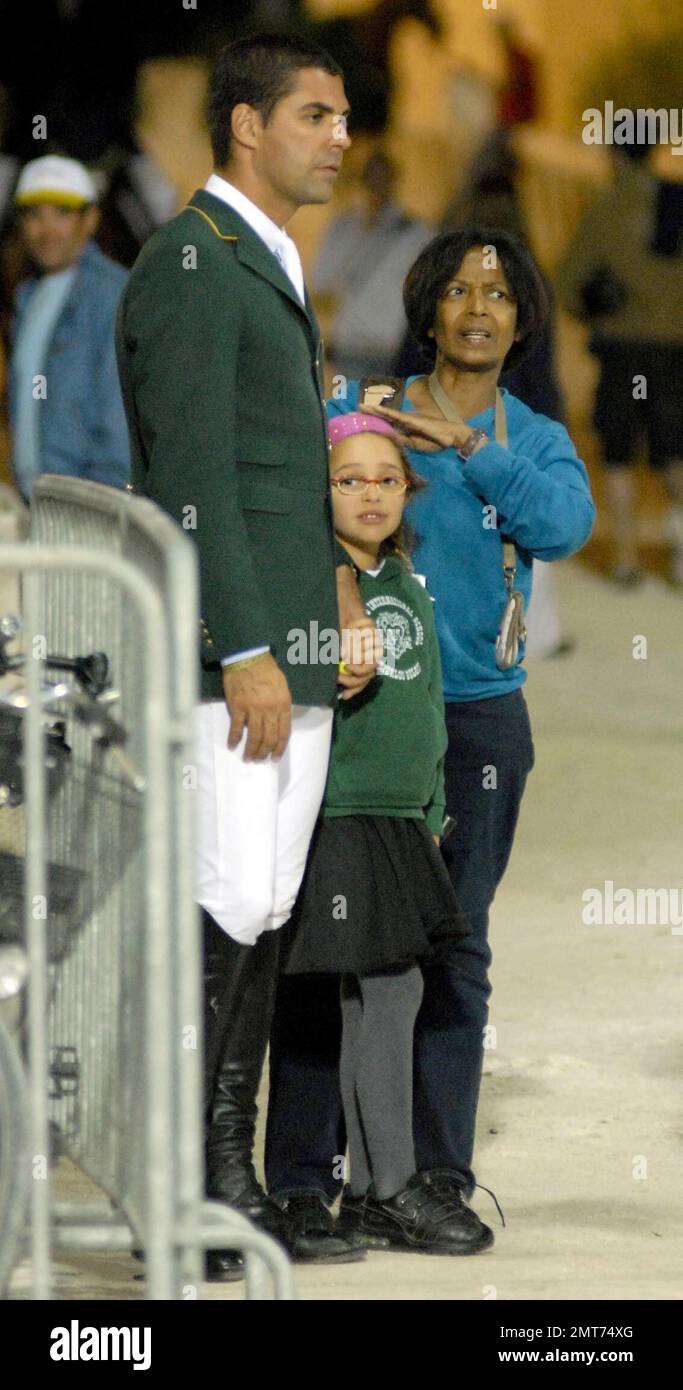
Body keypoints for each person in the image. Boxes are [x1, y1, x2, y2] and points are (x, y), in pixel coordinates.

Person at [266, 226, 595, 1241]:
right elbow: (290, 488)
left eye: (497, 292)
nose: (477, 306)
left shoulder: (527, 436)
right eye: (456, 289)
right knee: (326, 939)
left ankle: (427, 1173)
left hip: (477, 724)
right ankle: (303, 1180)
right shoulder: (361, 410)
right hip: (356, 711)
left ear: (521, 319)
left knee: (451, 947)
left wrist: (464, 448)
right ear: (426, 307)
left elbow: (561, 525)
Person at [116, 35, 379, 1280]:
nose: (340, 136)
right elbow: (190, 482)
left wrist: (334, 599)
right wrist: (244, 649)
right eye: (316, 115)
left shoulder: (267, 259)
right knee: (220, 909)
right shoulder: (190, 262)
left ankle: (229, 1179)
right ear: (242, 127)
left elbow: (283, 476)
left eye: (342, 116)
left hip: (296, 646)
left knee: (264, 909)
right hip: (243, 661)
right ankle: (190, 1190)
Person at [278, 409, 493, 1254]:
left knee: (388, 990)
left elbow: (429, 706)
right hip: (341, 814)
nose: (370, 493)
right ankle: (377, 1186)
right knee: (368, 991)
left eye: (386, 478)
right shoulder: (317, 582)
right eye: (348, 478)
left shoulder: (404, 580)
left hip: (400, 817)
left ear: (409, 491)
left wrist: (434, 805)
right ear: (318, 490)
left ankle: (373, 1188)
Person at [555, 138, 683, 587]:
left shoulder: (605, 207)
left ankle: (627, 560)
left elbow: (569, 282)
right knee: (674, 451)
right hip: (674, 351)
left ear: (615, 156)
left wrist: (594, 309)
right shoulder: (676, 200)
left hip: (622, 350)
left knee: (618, 451)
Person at [7, 155, 130, 501]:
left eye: (62, 213)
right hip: (40, 504)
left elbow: (117, 424)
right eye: (34, 214)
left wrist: (99, 506)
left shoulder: (111, 295)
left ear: (90, 219)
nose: (47, 230)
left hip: (86, 509)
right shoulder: (28, 297)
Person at [311, 149, 432, 380]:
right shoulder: (344, 226)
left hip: (390, 346)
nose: (378, 186)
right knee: (350, 415)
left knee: (385, 415)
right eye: (372, 178)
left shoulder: (415, 233)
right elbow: (321, 279)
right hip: (350, 344)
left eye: (383, 178)